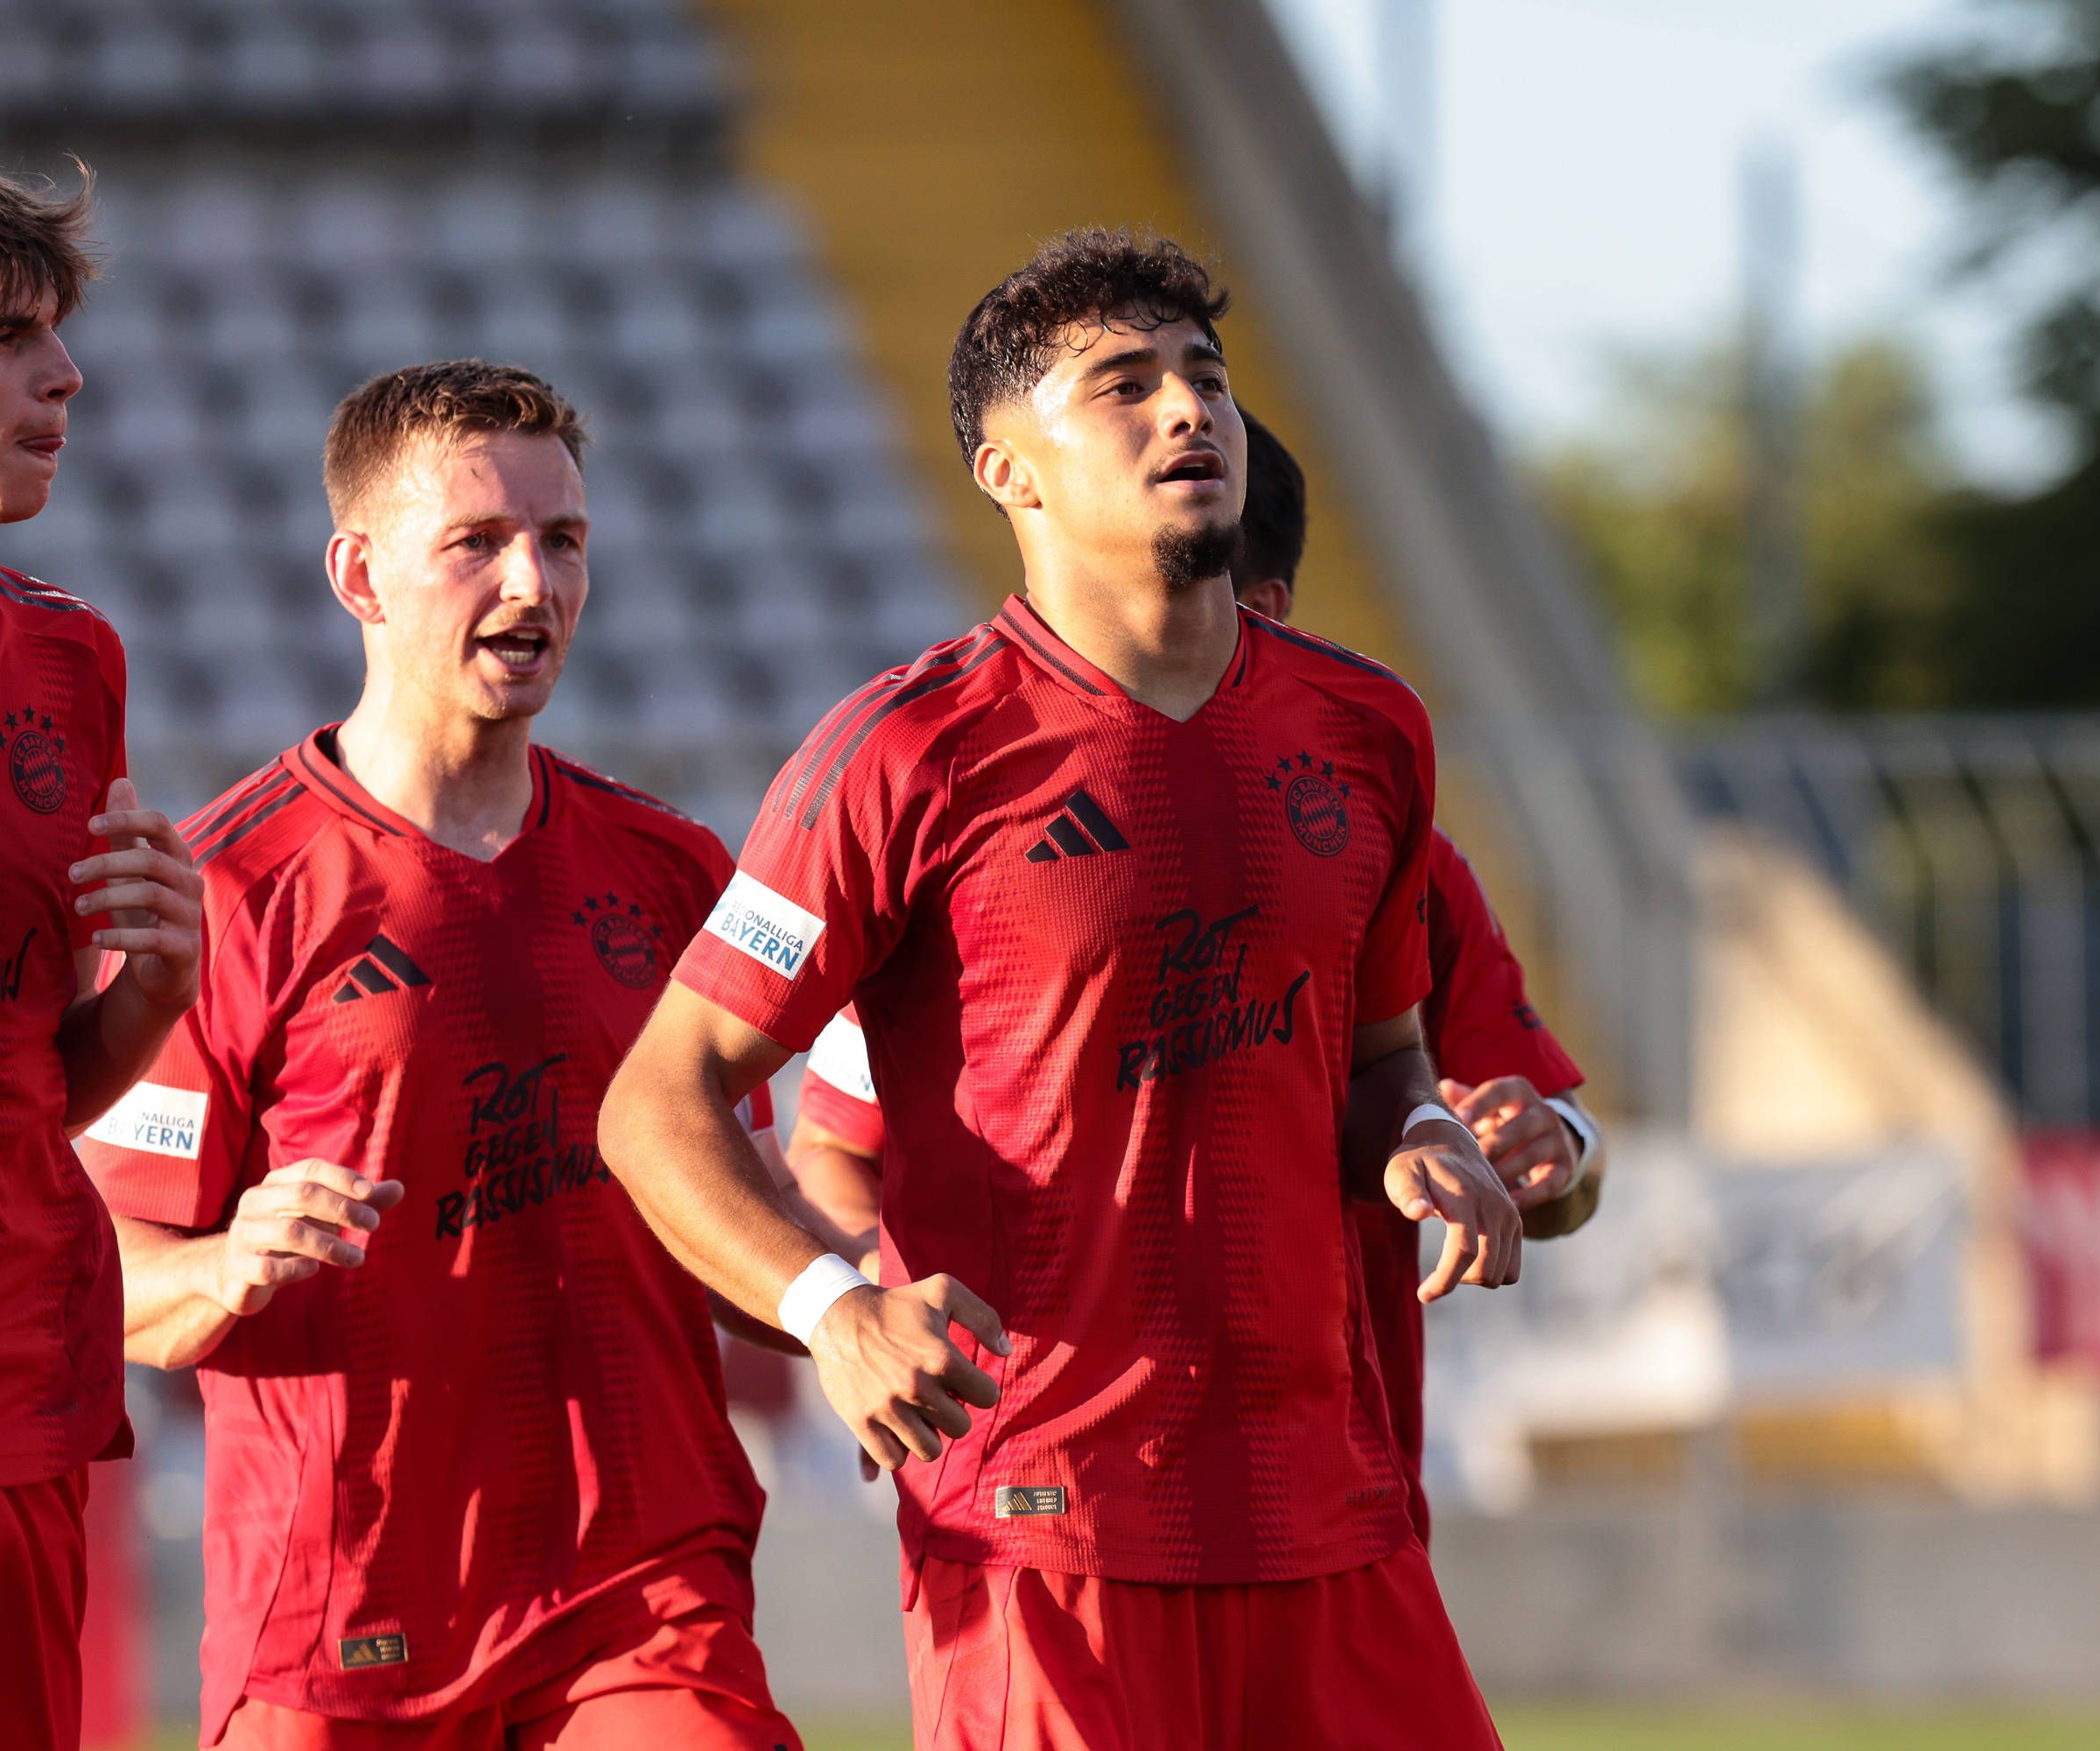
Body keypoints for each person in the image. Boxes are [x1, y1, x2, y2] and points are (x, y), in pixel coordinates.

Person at [601, 230, 1517, 1750]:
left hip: (1330, 1506)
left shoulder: (1371, 731)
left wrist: (1423, 1140)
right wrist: (834, 1308)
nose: (1189, 413)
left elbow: (1385, 1066)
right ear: (1009, 471)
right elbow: (658, 1098)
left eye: (1207, 379)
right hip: (1046, 1525)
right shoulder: (904, 754)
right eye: (1125, 386)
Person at [77, 362, 804, 1750]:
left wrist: (870, 1293)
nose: (533, 585)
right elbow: (101, 1273)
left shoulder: (671, 871)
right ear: (359, 571)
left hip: (642, 1591)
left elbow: (740, 1211)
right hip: (343, 1617)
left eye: (564, 540)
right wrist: (227, 1264)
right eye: (477, 542)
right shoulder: (229, 891)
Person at [787, 407, 1606, 1540]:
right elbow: (828, 1150)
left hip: (1330, 1497)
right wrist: (862, 1313)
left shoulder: (1395, 852)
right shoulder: (956, 833)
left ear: (1262, 614)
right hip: (1054, 1500)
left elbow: (1553, 1160)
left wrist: (1551, 1152)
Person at [0, 141, 204, 1751]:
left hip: (22, 1383)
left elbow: (31, 1080)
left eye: (58, 330)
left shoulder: (74, 660)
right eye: (4, 332)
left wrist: (154, 993)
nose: (64, 374)